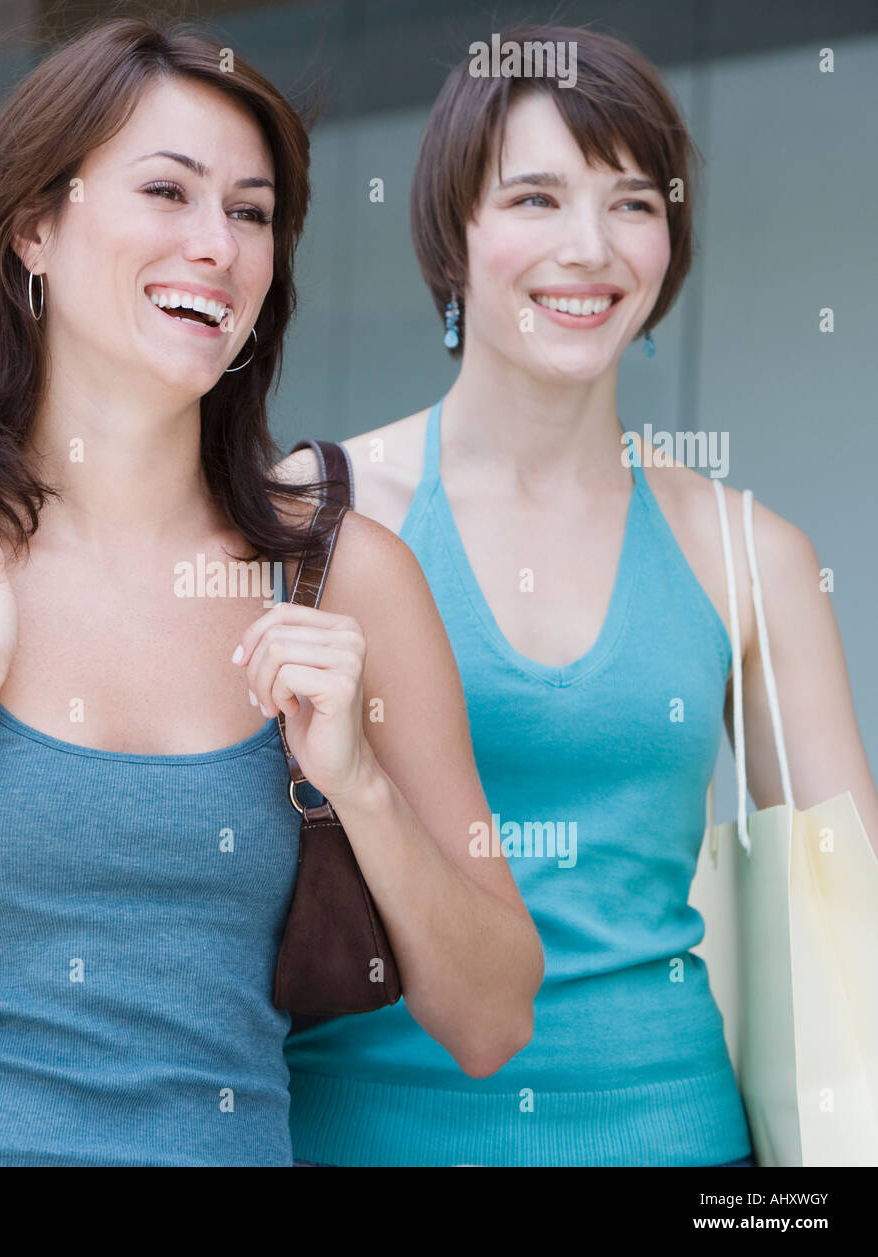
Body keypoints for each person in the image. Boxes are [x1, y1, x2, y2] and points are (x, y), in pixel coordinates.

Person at [0, 17, 542, 1167]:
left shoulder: (348, 579)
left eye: (251, 212)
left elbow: (493, 1018)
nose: (218, 244)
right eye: (168, 191)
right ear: (35, 231)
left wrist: (356, 781)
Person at [277, 22, 878, 1167]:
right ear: (451, 233)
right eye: (536, 199)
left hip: (677, 1144)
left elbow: (849, 923)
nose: (590, 248)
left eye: (634, 203)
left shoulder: (750, 553)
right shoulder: (313, 510)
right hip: (358, 1139)